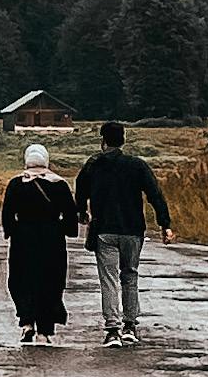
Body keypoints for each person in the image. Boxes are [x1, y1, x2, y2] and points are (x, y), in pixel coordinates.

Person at [74, 118, 172, 346]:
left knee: (108, 279)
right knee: (130, 276)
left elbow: (80, 189)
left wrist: (81, 212)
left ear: (103, 141)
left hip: (104, 230)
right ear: (123, 140)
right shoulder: (137, 165)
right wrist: (165, 224)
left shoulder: (93, 164)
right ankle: (130, 325)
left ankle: (112, 329)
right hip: (133, 229)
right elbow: (155, 195)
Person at [0, 139, 79, 343]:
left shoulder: (16, 184)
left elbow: (7, 213)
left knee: (21, 279)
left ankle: (26, 322)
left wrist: (12, 232)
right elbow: (70, 217)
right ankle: (45, 330)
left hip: (23, 239)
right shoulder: (59, 184)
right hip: (52, 240)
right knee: (50, 281)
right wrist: (63, 230)